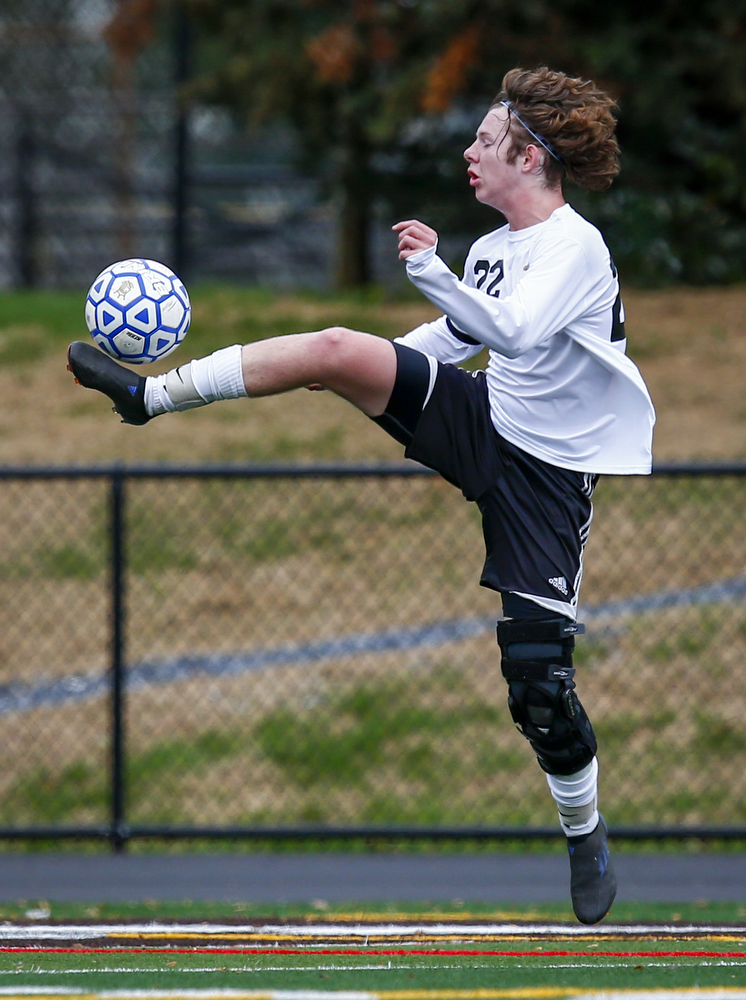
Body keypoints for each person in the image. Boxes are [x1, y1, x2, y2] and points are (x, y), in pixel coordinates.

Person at [68, 66, 655, 924]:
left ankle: (583, 828)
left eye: (486, 141)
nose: (470, 151)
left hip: (547, 479)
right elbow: (452, 343)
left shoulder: (575, 245)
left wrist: (436, 276)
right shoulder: (490, 252)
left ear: (529, 157)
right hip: (483, 418)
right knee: (338, 345)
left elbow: (519, 331)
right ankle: (147, 396)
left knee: (536, 684)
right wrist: (358, 362)